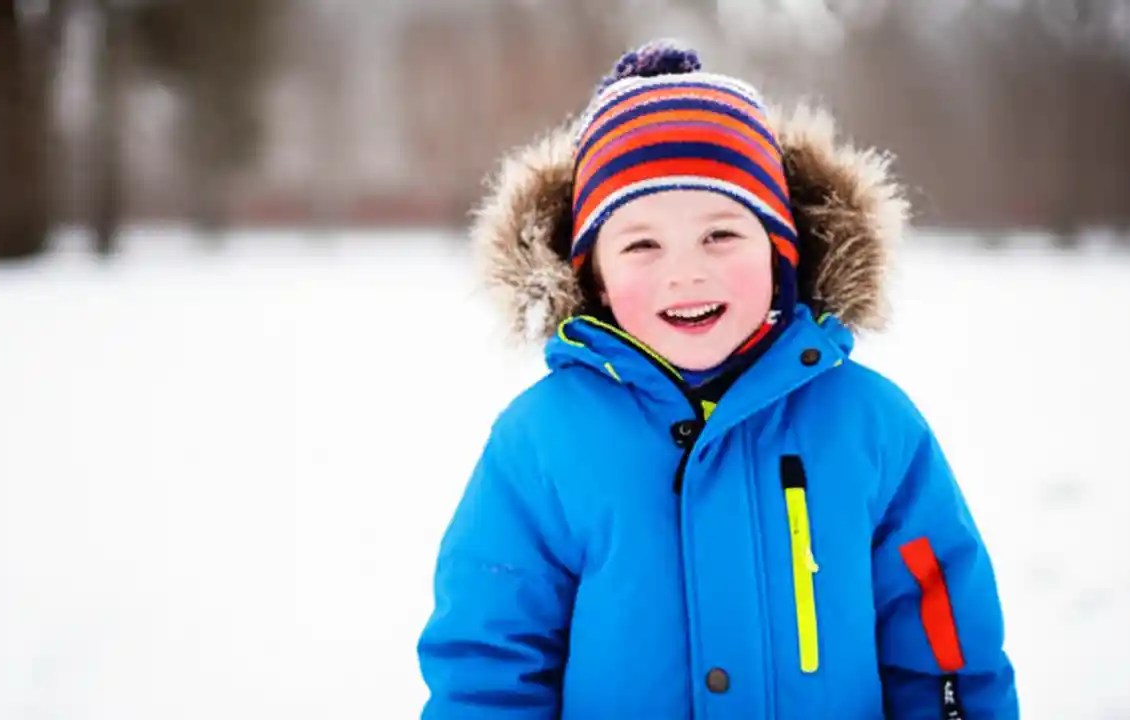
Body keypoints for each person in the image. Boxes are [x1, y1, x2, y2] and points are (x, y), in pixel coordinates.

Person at [417, 38, 1018, 719]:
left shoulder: (871, 426)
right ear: (597, 280)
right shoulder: (542, 441)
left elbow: (942, 642)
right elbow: (490, 661)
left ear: (781, 252)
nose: (686, 272)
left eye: (721, 235)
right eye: (642, 244)